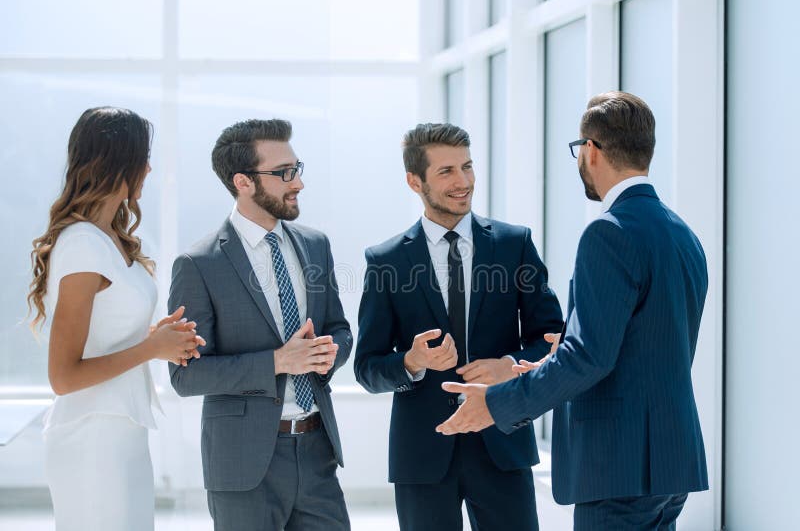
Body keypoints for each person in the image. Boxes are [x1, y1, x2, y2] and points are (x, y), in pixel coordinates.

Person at [436, 92, 709, 531]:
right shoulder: (682, 233)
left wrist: (497, 404)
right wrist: (545, 363)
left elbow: (590, 358)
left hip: (617, 468)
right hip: (669, 465)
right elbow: (644, 345)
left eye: (578, 150)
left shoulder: (608, 232)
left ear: (592, 150)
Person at [354, 123, 564, 530]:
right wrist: (411, 362)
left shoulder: (513, 244)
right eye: (446, 171)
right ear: (415, 181)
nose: (464, 181)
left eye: (467, 167)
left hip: (503, 442)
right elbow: (367, 369)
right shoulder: (386, 261)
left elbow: (554, 340)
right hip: (422, 454)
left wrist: (510, 364)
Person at [168, 118, 352, 531]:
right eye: (283, 173)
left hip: (317, 452)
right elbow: (186, 376)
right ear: (243, 182)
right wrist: (277, 361)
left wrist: (329, 353)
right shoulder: (198, 265)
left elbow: (340, 327)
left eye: (297, 168)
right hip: (243, 463)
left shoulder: (315, 245)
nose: (298, 183)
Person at [27, 106, 204, 531]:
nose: (148, 167)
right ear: (117, 162)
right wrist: (151, 348)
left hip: (120, 433)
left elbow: (103, 335)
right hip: (91, 441)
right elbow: (63, 376)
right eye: (142, 156)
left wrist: (154, 337)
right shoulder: (82, 245)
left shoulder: (109, 239)